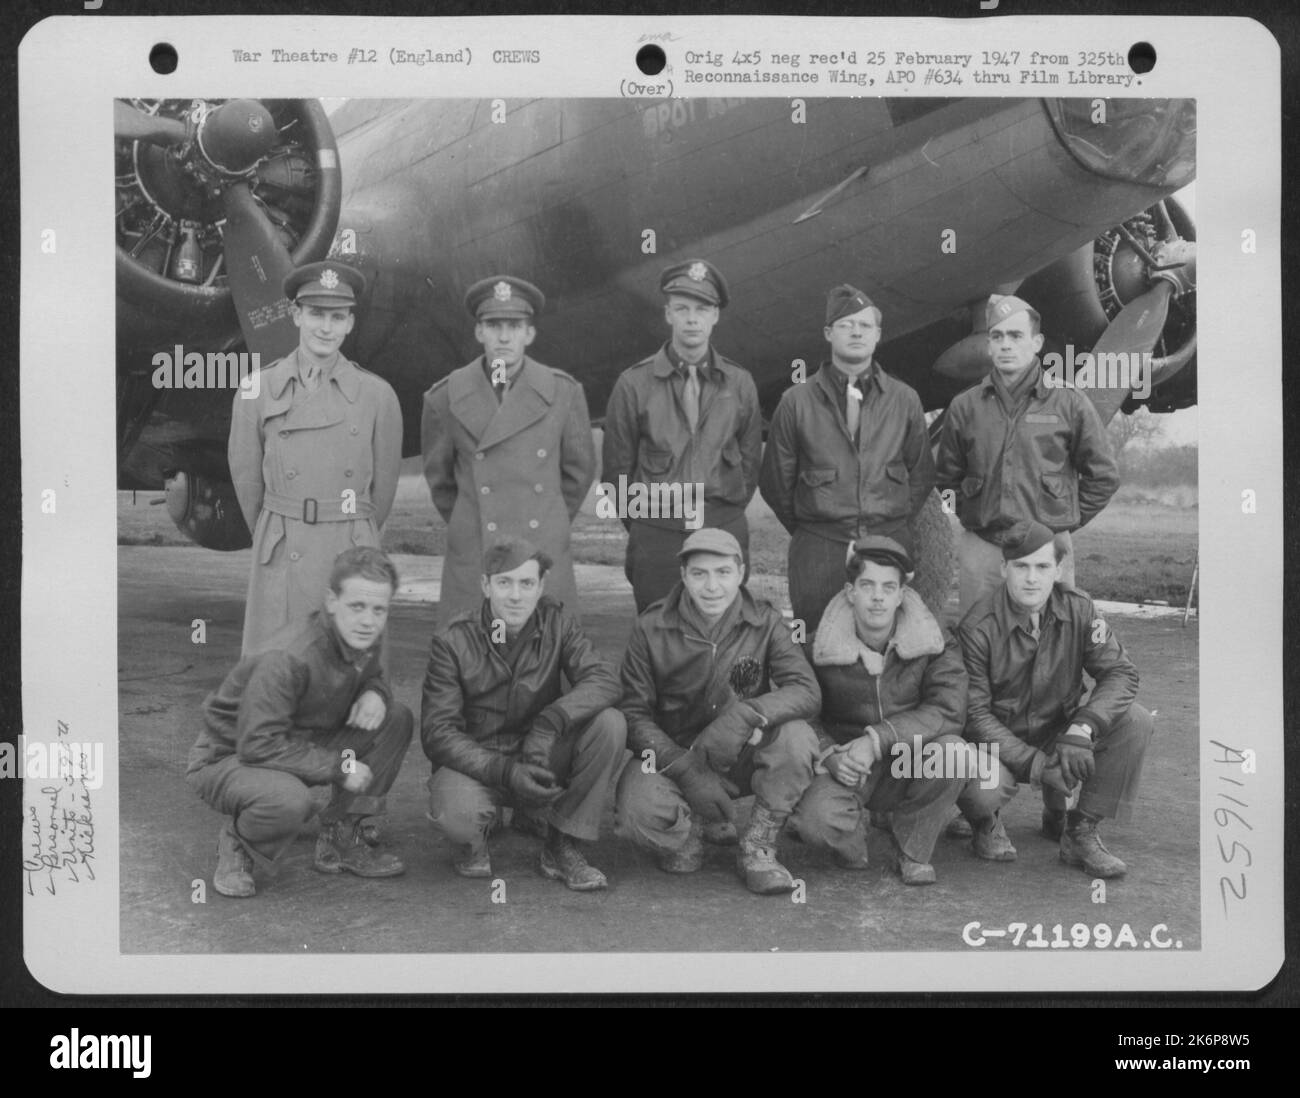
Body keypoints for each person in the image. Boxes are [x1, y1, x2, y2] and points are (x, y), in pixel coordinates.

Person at [186, 547, 413, 898]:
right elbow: (257, 744)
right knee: (289, 801)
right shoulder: (288, 657)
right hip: (231, 757)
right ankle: (239, 841)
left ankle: (341, 832)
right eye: (357, 606)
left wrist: (376, 693)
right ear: (331, 600)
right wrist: (339, 768)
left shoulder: (362, 632)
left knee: (395, 718)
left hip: (297, 741)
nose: (368, 620)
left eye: (378, 609)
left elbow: (373, 673)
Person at [615, 528, 821, 894]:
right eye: (700, 573)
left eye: (723, 572)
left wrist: (746, 714)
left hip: (737, 752)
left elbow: (805, 691)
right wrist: (686, 770)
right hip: (673, 756)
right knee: (638, 813)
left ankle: (758, 845)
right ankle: (690, 829)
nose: (712, 586)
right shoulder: (651, 627)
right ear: (683, 576)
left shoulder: (765, 622)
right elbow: (632, 713)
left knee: (797, 738)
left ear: (741, 573)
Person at [420, 538, 626, 890]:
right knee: (460, 817)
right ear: (485, 585)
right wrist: (503, 770)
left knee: (610, 724)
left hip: (538, 756)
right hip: (480, 764)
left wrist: (550, 723)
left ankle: (562, 843)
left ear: (541, 586)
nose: (516, 595)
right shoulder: (452, 640)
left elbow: (604, 679)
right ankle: (482, 833)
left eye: (527, 583)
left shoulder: (558, 624)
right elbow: (438, 732)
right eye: (504, 582)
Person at [955, 520, 1154, 878]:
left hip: (1061, 731)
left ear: (1058, 570)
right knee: (981, 787)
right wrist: (1036, 765)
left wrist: (1082, 727)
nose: (1032, 579)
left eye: (1042, 567)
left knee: (1136, 720)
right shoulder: (976, 627)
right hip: (999, 742)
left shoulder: (1081, 609)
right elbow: (974, 715)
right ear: (1004, 568)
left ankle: (1079, 830)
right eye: (1021, 566)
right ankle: (984, 822)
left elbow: (1121, 673)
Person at [228, 261, 402, 657]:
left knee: (346, 677)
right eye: (316, 314)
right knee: (274, 679)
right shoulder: (256, 390)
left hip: (348, 546)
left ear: (350, 324)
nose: (326, 328)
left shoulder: (378, 396)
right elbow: (247, 481)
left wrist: (354, 530)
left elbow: (382, 493)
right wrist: (280, 525)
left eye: (337, 317)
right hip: (284, 545)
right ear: (296, 315)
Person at [790, 537, 969, 885]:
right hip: (848, 767)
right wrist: (829, 755)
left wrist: (878, 739)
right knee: (817, 823)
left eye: (889, 587)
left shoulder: (934, 641)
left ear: (902, 595)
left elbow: (948, 708)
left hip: (906, 760)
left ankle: (913, 849)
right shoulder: (814, 646)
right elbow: (800, 711)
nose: (877, 597)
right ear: (849, 591)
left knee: (955, 754)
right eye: (867, 585)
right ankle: (854, 836)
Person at [421, 276, 596, 627]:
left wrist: (549, 520)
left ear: (529, 334)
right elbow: (440, 480)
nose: (504, 337)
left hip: (540, 549)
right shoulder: (444, 397)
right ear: (478, 332)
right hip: (477, 552)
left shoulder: (564, 393)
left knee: (545, 657)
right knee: (472, 660)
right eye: (493, 325)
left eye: (514, 326)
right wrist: (469, 519)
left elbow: (579, 473)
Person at [760, 285, 934, 633]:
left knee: (889, 651)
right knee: (815, 646)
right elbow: (775, 482)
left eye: (865, 326)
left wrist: (887, 520)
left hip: (888, 545)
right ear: (828, 333)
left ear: (878, 334)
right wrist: (817, 529)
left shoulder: (905, 401)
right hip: (819, 550)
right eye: (845, 324)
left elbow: (921, 475)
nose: (856, 332)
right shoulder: (796, 402)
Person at [935, 294, 1120, 613]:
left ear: (1037, 342)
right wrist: (973, 515)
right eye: (997, 336)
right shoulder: (965, 407)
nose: (1006, 345)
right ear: (989, 345)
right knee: (979, 646)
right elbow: (946, 478)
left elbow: (1103, 476)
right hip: (983, 547)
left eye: (1016, 336)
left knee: (1051, 645)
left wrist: (1062, 523)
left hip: (1047, 549)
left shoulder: (1069, 402)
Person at [602, 259, 762, 612]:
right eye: (682, 308)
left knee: (723, 641)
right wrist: (649, 524)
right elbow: (616, 471)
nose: (692, 318)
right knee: (658, 641)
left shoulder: (740, 383)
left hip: (722, 529)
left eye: (702, 309)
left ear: (715, 316)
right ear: (668, 314)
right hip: (657, 534)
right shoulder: (634, 383)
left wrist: (721, 514)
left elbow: (750, 466)